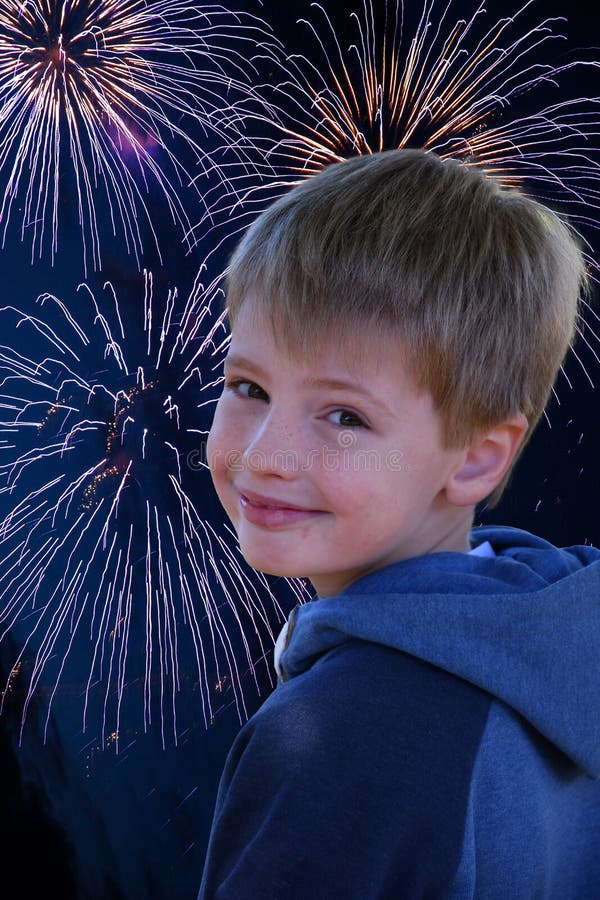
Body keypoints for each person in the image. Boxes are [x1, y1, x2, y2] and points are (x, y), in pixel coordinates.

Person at [198, 149, 600, 899]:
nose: (263, 456)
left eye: (345, 416)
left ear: (477, 459)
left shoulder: (337, 737)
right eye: (249, 387)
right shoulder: (558, 654)